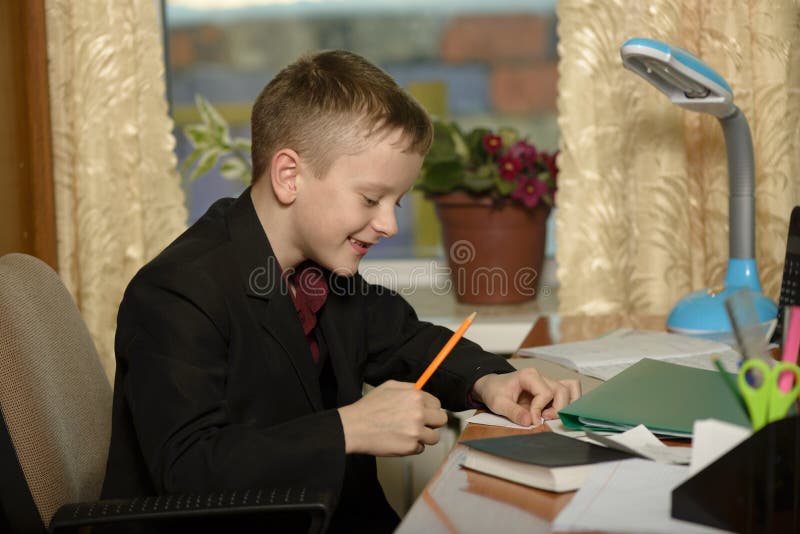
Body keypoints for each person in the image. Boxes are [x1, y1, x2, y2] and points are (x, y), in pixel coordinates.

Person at [101, 49, 580, 533]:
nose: (389, 224)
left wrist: (487, 381)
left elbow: (406, 339)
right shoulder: (175, 291)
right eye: (371, 198)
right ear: (289, 177)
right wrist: (351, 427)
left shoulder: (321, 267)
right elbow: (189, 467)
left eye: (397, 201)